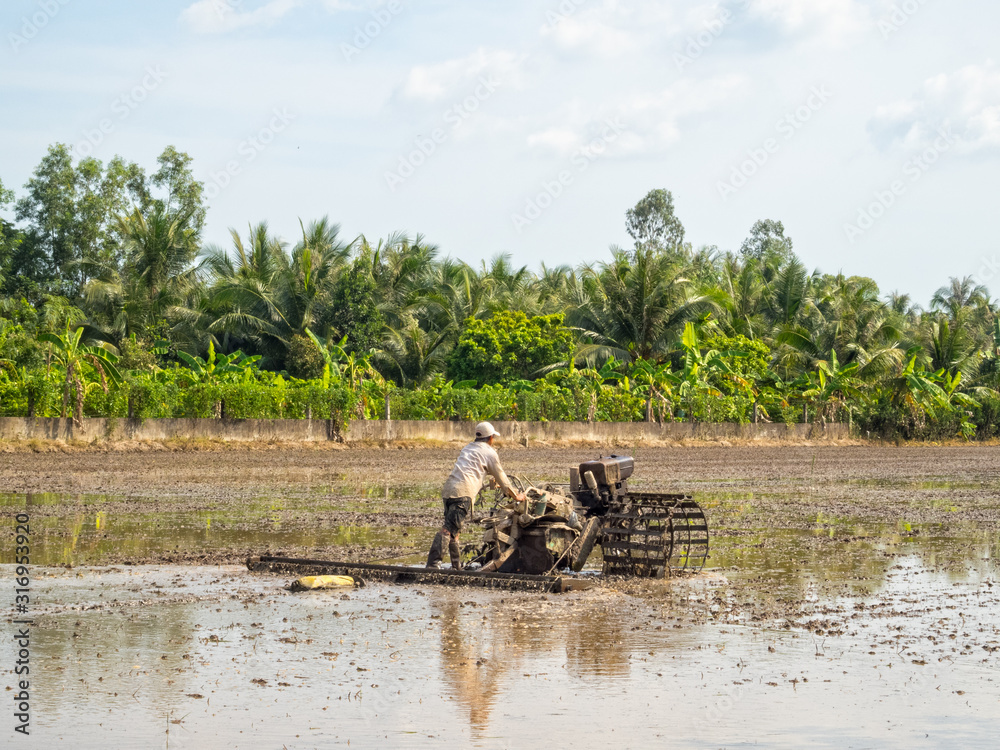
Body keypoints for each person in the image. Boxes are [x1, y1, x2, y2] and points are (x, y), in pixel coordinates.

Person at [426, 421, 525, 569]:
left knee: (454, 530)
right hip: (463, 493)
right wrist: (516, 496)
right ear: (490, 438)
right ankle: (433, 564)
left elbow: (474, 468)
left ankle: (456, 567)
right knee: (448, 529)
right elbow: (501, 476)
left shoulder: (468, 448)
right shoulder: (490, 452)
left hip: (449, 490)